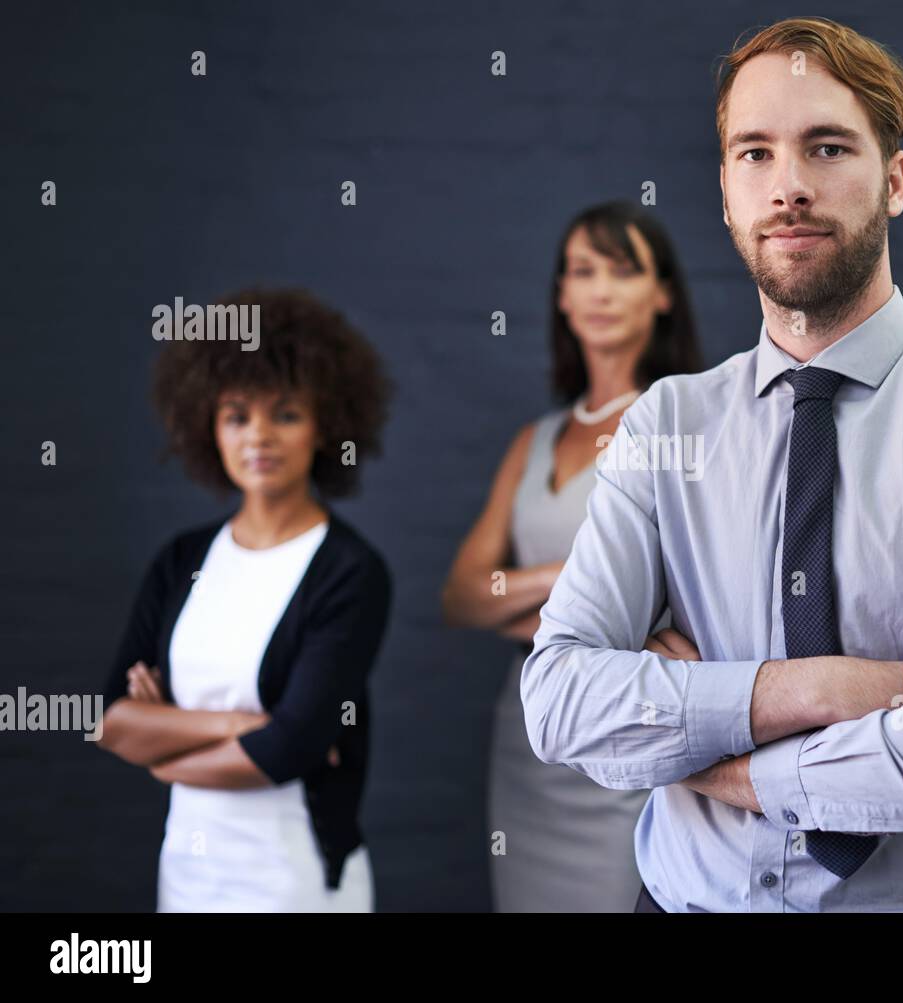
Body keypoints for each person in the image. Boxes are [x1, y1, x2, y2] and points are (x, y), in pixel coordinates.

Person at [520, 16, 903, 913]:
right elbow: (558, 701)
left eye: (825, 148)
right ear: (729, 194)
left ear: (893, 181)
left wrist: (710, 745)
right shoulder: (668, 421)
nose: (789, 188)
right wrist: (818, 689)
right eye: (754, 154)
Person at [96, 287, 394, 912]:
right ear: (209, 427)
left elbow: (286, 752)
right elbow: (111, 719)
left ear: (325, 427)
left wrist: (164, 752)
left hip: (296, 879)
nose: (259, 435)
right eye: (237, 415)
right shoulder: (183, 561)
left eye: (284, 413)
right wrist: (241, 725)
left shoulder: (350, 573)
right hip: (187, 872)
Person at [442, 201, 703, 911]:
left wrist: (533, 608)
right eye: (582, 271)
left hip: (627, 733)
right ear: (560, 295)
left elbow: (682, 603)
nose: (599, 290)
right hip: (529, 740)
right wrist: (579, 585)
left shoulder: (684, 422)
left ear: (663, 294)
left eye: (622, 271)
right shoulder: (535, 439)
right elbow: (464, 593)